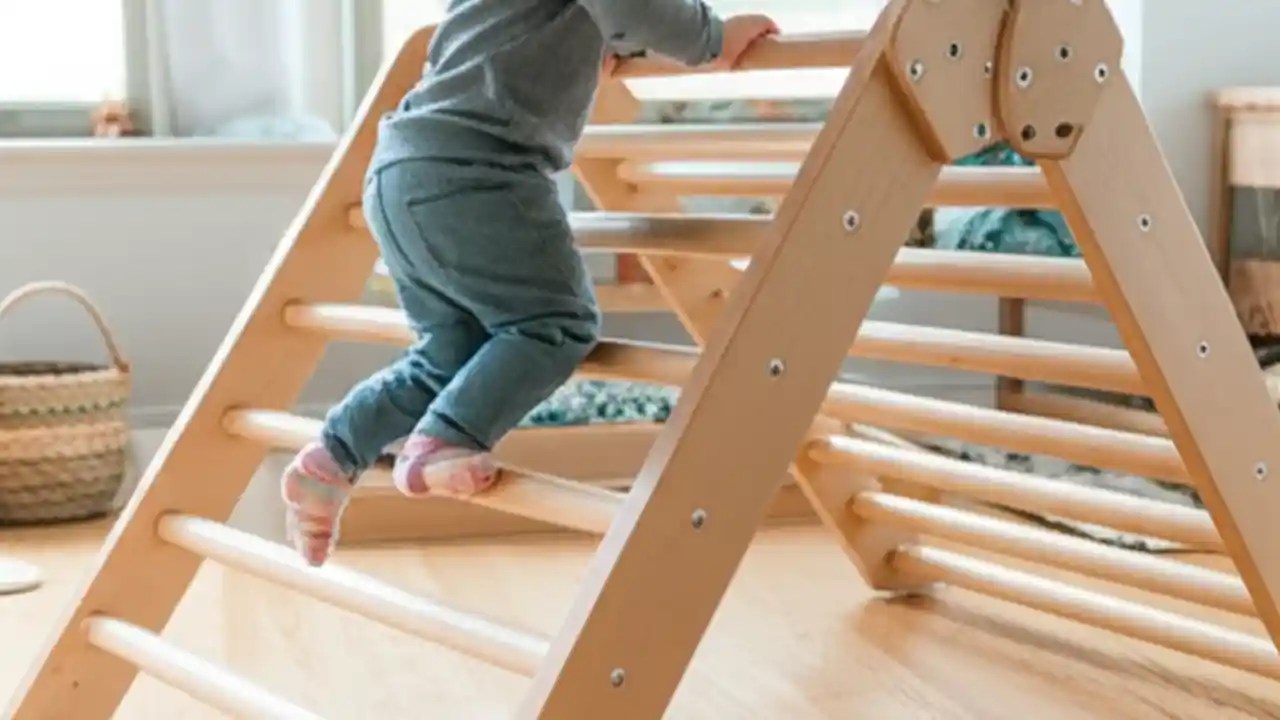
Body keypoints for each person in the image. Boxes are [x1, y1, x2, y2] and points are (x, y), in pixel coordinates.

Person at [280, 0, 779, 566]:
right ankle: (446, 440)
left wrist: (609, 45)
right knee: (555, 322)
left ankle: (332, 457)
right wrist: (711, 38)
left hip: (401, 171)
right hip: (478, 176)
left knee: (451, 354)